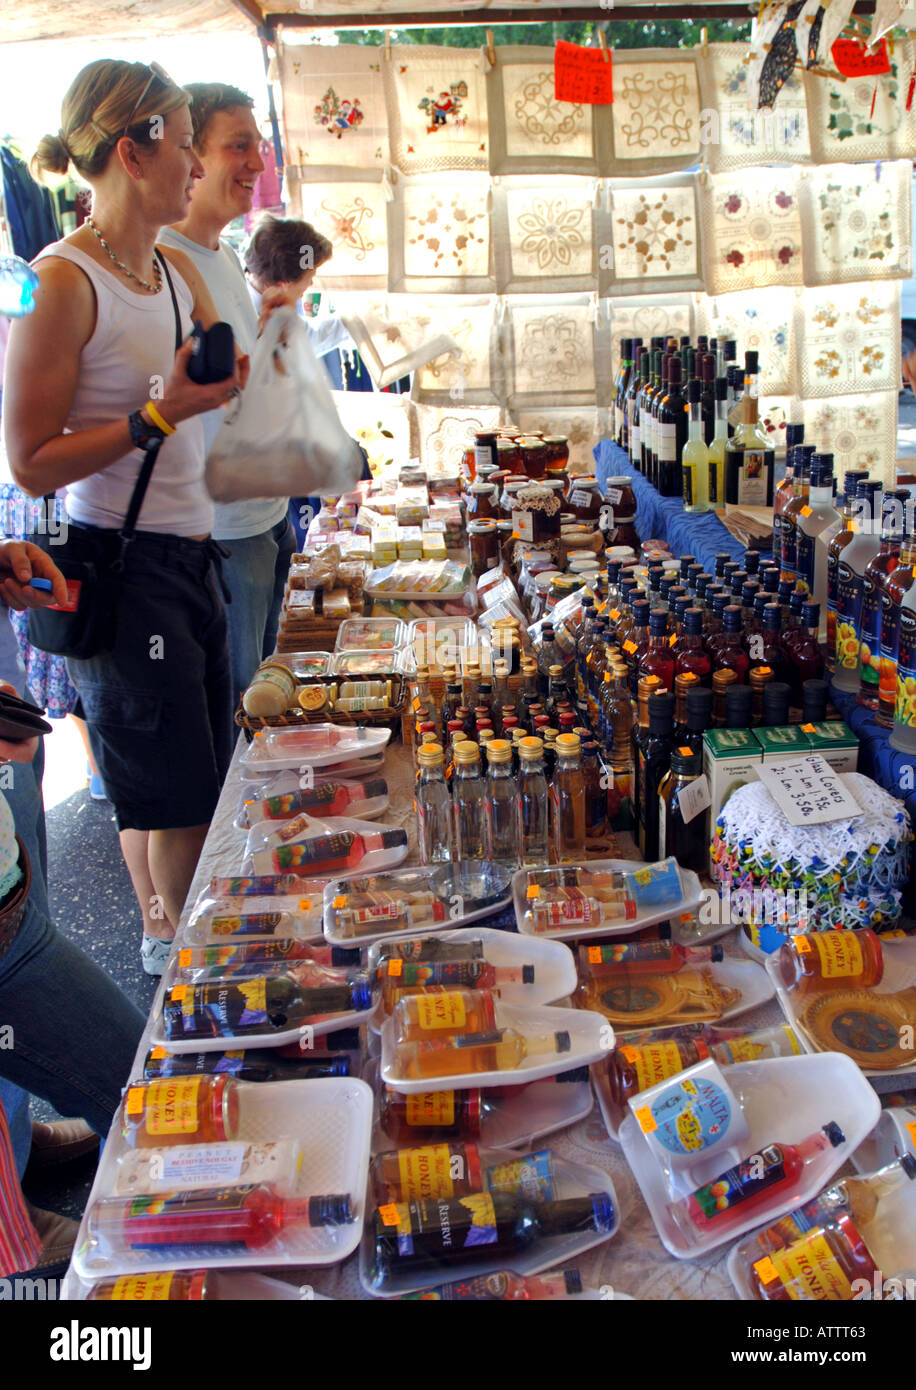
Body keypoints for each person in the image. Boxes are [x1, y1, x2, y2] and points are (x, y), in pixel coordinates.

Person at [3, 59, 246, 973]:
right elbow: (29, 458)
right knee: (175, 803)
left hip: (190, 559)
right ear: (131, 153)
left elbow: (210, 375)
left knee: (192, 788)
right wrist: (159, 414)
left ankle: (175, 947)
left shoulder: (173, 269)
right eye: (184, 145)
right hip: (120, 565)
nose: (198, 165)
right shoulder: (61, 281)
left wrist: (219, 381)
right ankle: (198, 981)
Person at [0, 537, 145, 1271]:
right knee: (147, 1095)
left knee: (146, 1085)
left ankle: (15, 1148)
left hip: (7, 905)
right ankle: (9, 1222)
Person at [158, 84, 297, 709]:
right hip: (226, 531)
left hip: (267, 514)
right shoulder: (164, 263)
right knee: (244, 711)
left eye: (258, 146)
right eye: (238, 146)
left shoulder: (224, 255)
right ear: (194, 155)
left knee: (270, 693)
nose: (257, 164)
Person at [241, 215, 366, 548]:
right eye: (308, 280)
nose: (309, 287)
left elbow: (310, 336)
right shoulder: (240, 317)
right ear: (285, 281)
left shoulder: (271, 305)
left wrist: (366, 322)